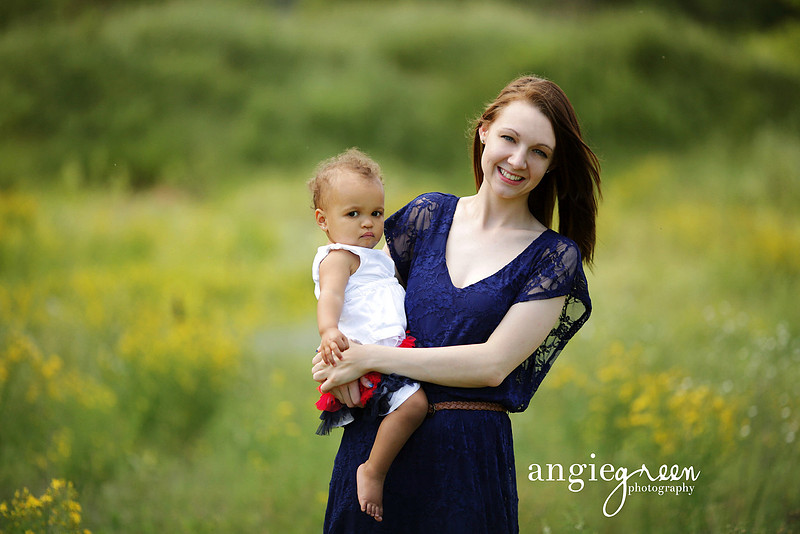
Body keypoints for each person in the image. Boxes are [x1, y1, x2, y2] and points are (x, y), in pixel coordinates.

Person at [312, 75, 601, 533]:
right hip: (377, 454)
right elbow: (364, 298)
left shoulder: (553, 259)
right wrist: (336, 357)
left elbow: (492, 364)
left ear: (551, 165)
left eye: (539, 152)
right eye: (509, 138)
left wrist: (367, 357)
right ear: (485, 130)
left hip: (466, 465)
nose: (518, 160)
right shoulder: (426, 217)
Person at [308, 148, 430, 523]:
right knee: (415, 406)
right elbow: (331, 295)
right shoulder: (338, 257)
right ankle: (372, 471)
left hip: (386, 354)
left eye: (376, 213)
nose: (368, 224)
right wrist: (329, 330)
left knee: (410, 408)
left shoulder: (379, 258)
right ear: (323, 220)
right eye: (353, 214)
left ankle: (379, 468)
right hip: (361, 356)